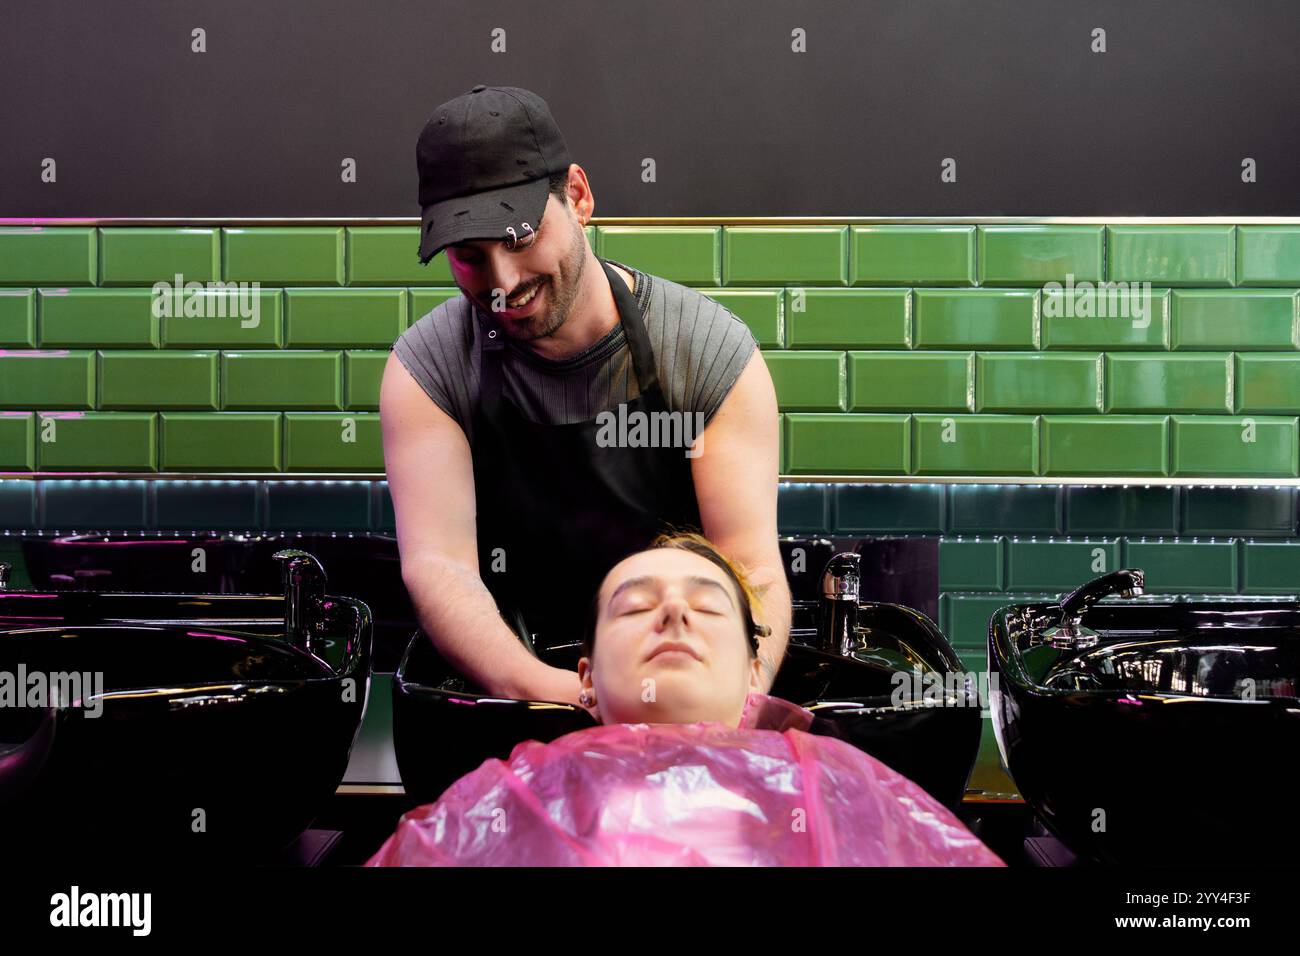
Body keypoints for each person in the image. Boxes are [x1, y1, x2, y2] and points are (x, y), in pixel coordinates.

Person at [381, 86, 791, 707]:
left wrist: (740, 687)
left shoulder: (707, 352)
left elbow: (750, 567)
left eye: (519, 239)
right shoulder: (429, 368)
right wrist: (575, 697)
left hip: (677, 702)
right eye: (469, 258)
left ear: (577, 196)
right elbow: (444, 569)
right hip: (509, 701)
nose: (503, 283)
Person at [366, 533, 1005, 866]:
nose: (673, 610)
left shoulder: (850, 792)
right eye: (637, 605)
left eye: (705, 605)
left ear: (757, 673)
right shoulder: (502, 801)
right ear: (584, 677)